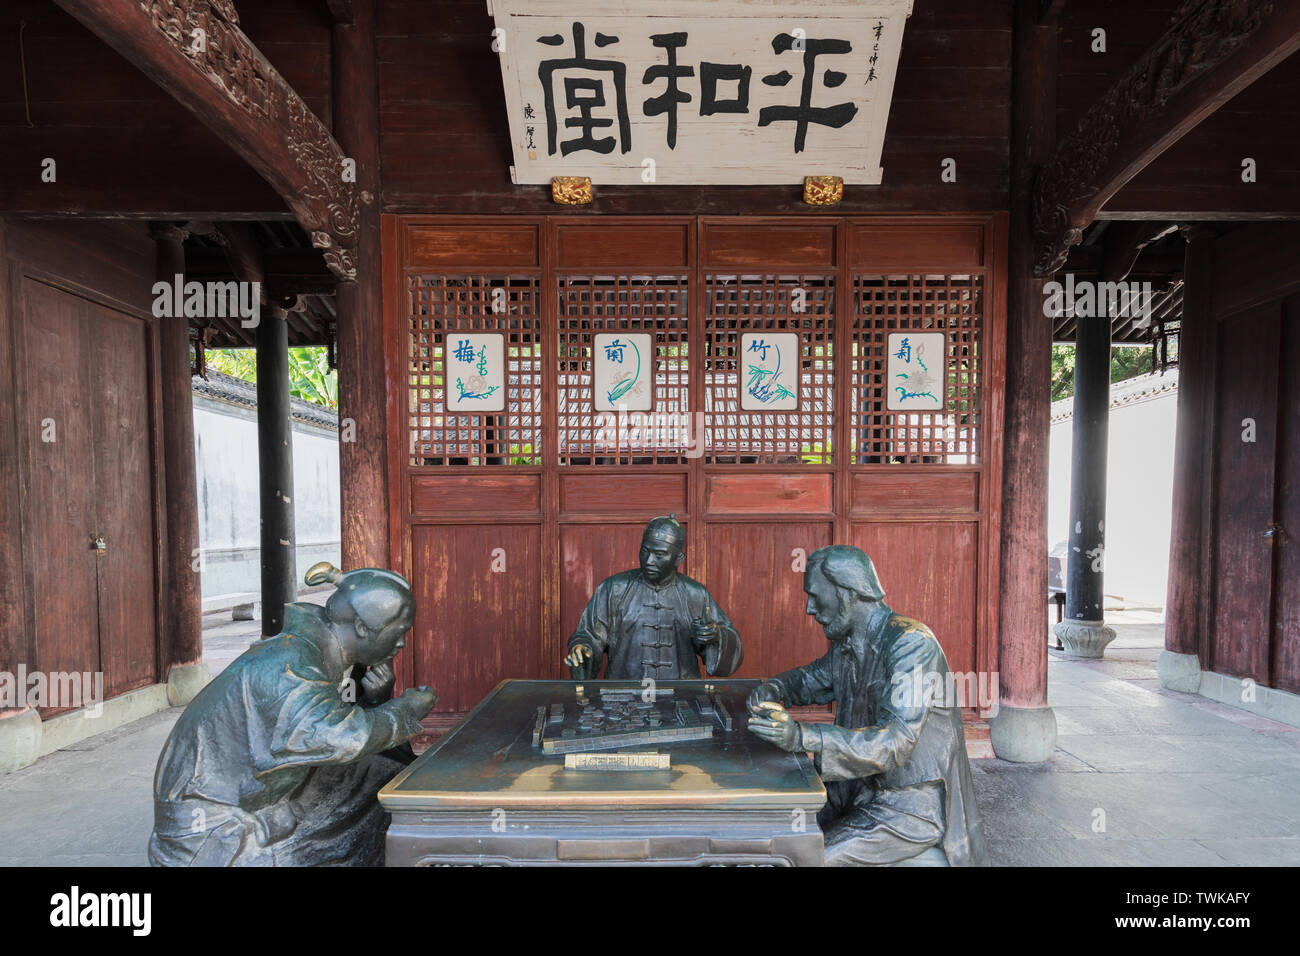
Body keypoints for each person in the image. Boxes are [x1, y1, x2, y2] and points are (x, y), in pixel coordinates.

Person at [148, 564, 438, 866]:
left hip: (259, 803)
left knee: (381, 775)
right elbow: (339, 738)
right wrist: (404, 711)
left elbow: (325, 729)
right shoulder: (288, 667)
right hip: (211, 833)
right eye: (400, 632)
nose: (402, 643)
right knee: (370, 813)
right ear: (364, 627)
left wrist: (379, 701)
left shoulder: (309, 650)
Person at [746, 545, 989, 866]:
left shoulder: (911, 644)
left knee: (800, 859)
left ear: (847, 593)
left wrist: (802, 737)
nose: (809, 608)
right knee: (762, 826)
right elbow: (808, 680)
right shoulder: (848, 645)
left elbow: (896, 742)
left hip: (907, 810)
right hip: (854, 791)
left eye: (816, 596)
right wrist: (772, 688)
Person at [565, 515, 743, 680]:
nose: (649, 560)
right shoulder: (614, 589)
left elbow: (727, 637)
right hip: (623, 694)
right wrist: (582, 648)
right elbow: (589, 635)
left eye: (659, 555)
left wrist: (716, 636)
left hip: (680, 695)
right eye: (645, 551)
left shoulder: (695, 594)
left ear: (678, 558)